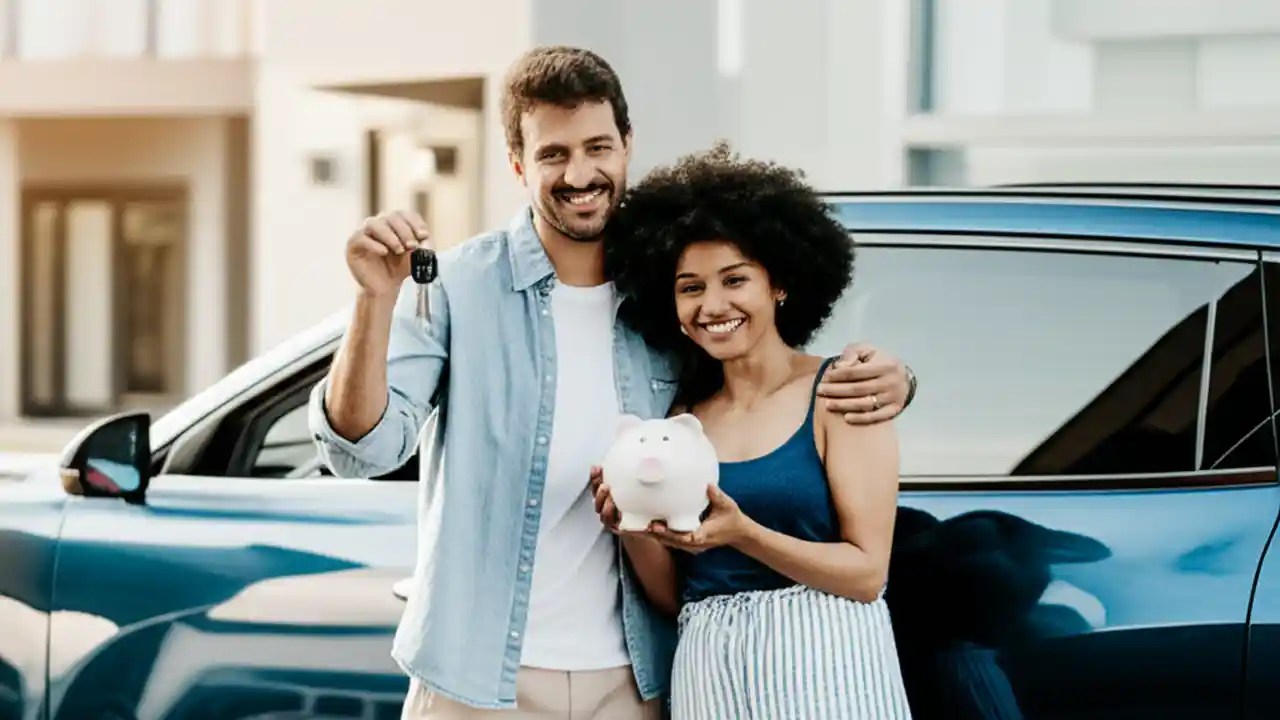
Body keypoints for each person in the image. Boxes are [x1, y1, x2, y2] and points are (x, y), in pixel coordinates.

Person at [309, 46, 916, 719]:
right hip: (479, 678)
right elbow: (362, 450)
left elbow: (764, 373)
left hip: (638, 678)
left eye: (598, 146)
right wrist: (373, 303)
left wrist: (896, 377)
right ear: (517, 164)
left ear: (628, 146)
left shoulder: (668, 295)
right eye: (552, 154)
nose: (580, 173)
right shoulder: (459, 286)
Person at [592, 142, 913, 719]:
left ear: (779, 284)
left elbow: (867, 574)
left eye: (734, 279)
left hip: (827, 659)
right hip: (709, 664)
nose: (713, 304)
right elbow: (673, 596)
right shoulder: (679, 422)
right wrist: (630, 524)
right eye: (690, 287)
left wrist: (744, 533)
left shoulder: (839, 392)